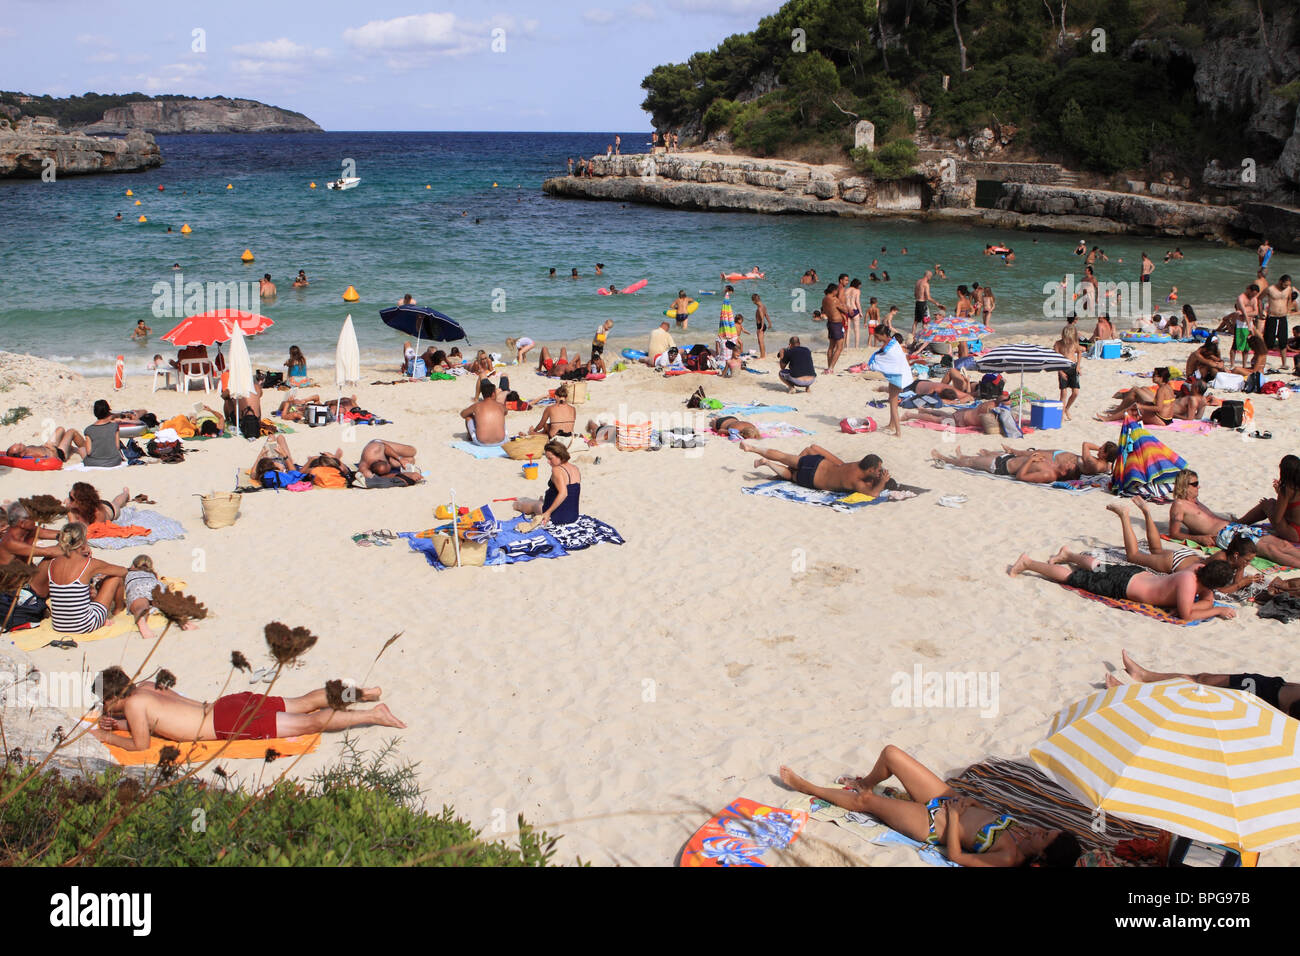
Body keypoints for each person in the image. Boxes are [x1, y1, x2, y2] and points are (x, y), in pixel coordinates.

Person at [777, 749, 1079, 867]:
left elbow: (957, 856)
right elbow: (988, 815)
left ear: (1041, 856)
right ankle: (867, 781)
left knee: (866, 804)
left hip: (934, 824)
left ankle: (808, 788)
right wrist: (971, 803)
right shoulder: (1024, 831)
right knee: (892, 755)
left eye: (1045, 836)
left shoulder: (1007, 858)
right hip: (949, 798)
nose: (1040, 830)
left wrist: (956, 817)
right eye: (1047, 829)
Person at [90, 666, 404, 750]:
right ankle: (366, 693)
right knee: (303, 702)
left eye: (107, 705)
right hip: (225, 704)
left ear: (114, 697)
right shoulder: (145, 686)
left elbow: (141, 743)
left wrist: (109, 738)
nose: (108, 710)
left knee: (306, 723)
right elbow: (157, 718)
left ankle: (374, 715)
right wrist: (117, 724)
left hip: (225, 723)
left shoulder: (133, 704)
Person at [1008, 546, 1237, 622]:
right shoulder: (1189, 581)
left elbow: (1206, 598)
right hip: (1124, 586)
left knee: (1098, 566)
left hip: (1134, 575)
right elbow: (1185, 614)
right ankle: (1029, 563)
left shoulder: (1198, 569)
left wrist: (1209, 604)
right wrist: (1217, 610)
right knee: (1074, 578)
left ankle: (1069, 554)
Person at [1105, 499, 1259, 587]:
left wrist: (1242, 570)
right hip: (1175, 563)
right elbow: (1225, 588)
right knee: (1133, 556)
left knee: (1155, 549)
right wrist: (1242, 582)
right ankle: (1124, 516)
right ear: (1236, 555)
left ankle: (1146, 512)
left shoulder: (1231, 559)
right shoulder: (1220, 559)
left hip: (1186, 558)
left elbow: (1236, 580)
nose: (1248, 563)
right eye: (1247, 560)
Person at [1108, 650, 1300, 719]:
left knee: (1196, 700)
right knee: (1203, 679)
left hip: (1269, 705)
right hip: (1272, 686)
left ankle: (1130, 694)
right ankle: (1144, 675)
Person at [1168, 468, 1300, 567]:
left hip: (1235, 528)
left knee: (1283, 544)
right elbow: (1174, 533)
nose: (1199, 486)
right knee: (1270, 549)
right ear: (1184, 485)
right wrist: (1199, 538)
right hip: (1225, 535)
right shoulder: (1179, 505)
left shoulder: (1196, 501)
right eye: (1195, 484)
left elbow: (1199, 523)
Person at [26, 523, 128, 633]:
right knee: (115, 578)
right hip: (84, 626)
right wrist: (102, 573)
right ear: (81, 542)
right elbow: (122, 571)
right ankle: (118, 609)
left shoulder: (52, 563)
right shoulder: (89, 563)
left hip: (59, 625)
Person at [741, 443, 893, 495]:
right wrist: (882, 482)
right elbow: (873, 494)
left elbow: (840, 463)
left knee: (783, 456)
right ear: (871, 470)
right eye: (878, 470)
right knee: (790, 476)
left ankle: (752, 447)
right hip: (813, 479)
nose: (880, 472)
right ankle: (767, 463)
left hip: (817, 462)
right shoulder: (856, 482)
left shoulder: (857, 463)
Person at [122, 554, 195, 640]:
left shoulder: (129, 571)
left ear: (133, 565)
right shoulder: (153, 573)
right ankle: (184, 621)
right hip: (154, 584)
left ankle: (142, 622)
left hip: (137, 585)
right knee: (166, 602)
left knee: (140, 604)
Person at [1234, 454, 1300, 545]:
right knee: (1271, 503)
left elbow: (1277, 519)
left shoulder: (1287, 489)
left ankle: (1237, 523)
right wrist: (1279, 493)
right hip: (1296, 529)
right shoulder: (1295, 487)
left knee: (1269, 503)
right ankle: (1239, 522)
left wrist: (1267, 509)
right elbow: (1293, 506)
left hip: (1294, 533)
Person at [513, 440, 581, 527]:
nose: (548, 462)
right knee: (540, 501)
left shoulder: (557, 470)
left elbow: (564, 493)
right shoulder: (575, 468)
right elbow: (572, 493)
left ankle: (517, 505)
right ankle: (542, 501)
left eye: (550, 458)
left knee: (527, 504)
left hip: (557, 517)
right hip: (573, 516)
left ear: (560, 455)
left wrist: (548, 513)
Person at [932, 444, 1081, 484]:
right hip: (1008, 458)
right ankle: (962, 456)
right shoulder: (1055, 466)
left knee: (972, 462)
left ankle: (946, 459)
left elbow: (1021, 477)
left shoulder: (1049, 475)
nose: (1069, 462)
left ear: (1065, 472)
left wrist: (1030, 460)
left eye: (1070, 465)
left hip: (1002, 466)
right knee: (973, 459)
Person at [867, 326, 913, 437]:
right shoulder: (893, 342)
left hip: (897, 377)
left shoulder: (889, 346)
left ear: (883, 335)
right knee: (892, 401)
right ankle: (891, 425)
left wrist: (872, 365)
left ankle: (898, 432)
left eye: (877, 336)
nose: (876, 339)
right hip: (896, 376)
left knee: (893, 405)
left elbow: (882, 358)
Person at [1095, 367, 1177, 424]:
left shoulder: (1161, 390)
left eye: (1154, 375)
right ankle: (1116, 413)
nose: (1152, 377)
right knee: (1137, 404)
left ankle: (1108, 419)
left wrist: (1141, 407)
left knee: (1133, 409)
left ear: (1161, 378)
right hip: (1168, 418)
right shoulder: (1168, 387)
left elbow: (1158, 408)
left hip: (1161, 419)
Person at [6, 427, 86, 464]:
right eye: (19, 446)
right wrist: (53, 449)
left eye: (17, 444)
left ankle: (71, 448)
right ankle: (88, 447)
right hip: (59, 453)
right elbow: (53, 459)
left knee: (60, 429)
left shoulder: (26, 450)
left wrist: (48, 445)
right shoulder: (33, 455)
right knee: (71, 431)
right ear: (21, 454)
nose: (20, 443)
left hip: (48, 446)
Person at [815, 283, 847, 373]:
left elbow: (826, 310)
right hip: (836, 324)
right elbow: (845, 310)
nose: (837, 292)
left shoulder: (824, 299)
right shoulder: (834, 300)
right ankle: (831, 368)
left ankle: (829, 366)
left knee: (831, 346)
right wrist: (844, 305)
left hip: (830, 323)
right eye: (836, 291)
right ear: (834, 291)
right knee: (840, 347)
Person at [902, 400, 999, 430]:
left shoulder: (990, 402)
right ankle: (910, 415)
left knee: (946, 415)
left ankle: (923, 410)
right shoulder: (990, 410)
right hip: (962, 420)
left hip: (964, 412)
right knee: (937, 420)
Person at [82, 399, 124, 468]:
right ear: (108, 412)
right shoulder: (114, 426)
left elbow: (89, 451)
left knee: (82, 451)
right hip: (112, 462)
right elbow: (117, 447)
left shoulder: (88, 430)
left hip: (94, 462)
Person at [1054, 325, 1085, 420]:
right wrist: (1060, 372)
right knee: (1063, 393)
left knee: (1075, 392)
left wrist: (1078, 366)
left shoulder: (1074, 343)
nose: (1068, 341)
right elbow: (1056, 359)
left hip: (1073, 367)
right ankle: (1061, 413)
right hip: (1062, 368)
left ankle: (1066, 408)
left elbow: (1080, 352)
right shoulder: (1058, 344)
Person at [66, 482, 130, 526]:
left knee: (117, 502)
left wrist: (70, 511)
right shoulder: (76, 507)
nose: (70, 500)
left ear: (80, 501)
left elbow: (88, 530)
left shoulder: (98, 514)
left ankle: (125, 493)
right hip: (91, 504)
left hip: (110, 509)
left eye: (71, 498)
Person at [1262, 274, 1292, 356]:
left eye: (1288, 285)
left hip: (1282, 316)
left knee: (1283, 340)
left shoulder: (1288, 289)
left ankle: (1284, 363)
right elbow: (1259, 299)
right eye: (1285, 285)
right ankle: (1262, 359)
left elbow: (1290, 299)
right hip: (1272, 316)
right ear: (1280, 281)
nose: (1286, 287)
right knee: (1268, 340)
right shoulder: (1270, 289)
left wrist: (1288, 309)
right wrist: (1260, 312)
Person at [912, 270, 940, 335]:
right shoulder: (926, 284)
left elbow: (915, 294)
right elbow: (928, 297)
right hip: (923, 304)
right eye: (931, 277)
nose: (930, 278)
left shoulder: (918, 282)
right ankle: (925, 336)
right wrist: (936, 303)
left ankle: (912, 335)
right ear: (928, 276)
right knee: (925, 322)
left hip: (917, 302)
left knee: (916, 321)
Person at [751, 293, 771, 358]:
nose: (752, 302)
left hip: (760, 326)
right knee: (761, 341)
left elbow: (762, 318)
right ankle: (763, 355)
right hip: (761, 325)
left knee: (760, 342)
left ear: (754, 301)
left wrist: (761, 327)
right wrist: (770, 323)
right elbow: (766, 315)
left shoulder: (759, 308)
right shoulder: (763, 306)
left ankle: (762, 356)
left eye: (752, 301)